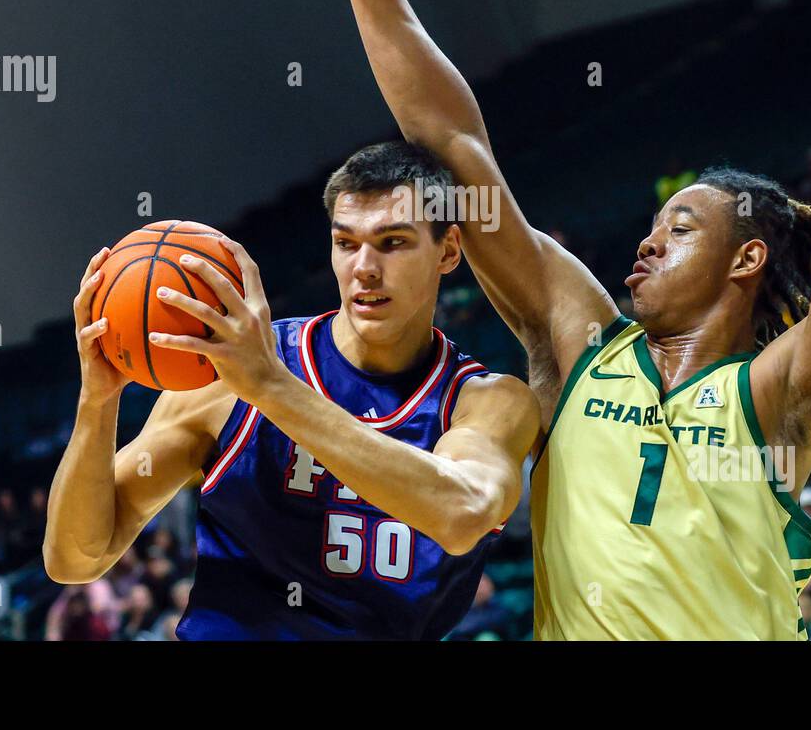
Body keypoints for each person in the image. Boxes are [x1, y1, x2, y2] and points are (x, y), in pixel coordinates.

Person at [264, 0, 811, 639]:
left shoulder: (777, 391)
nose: (646, 243)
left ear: (746, 258)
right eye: (654, 224)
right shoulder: (580, 344)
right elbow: (453, 143)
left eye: (680, 228)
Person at [45, 142, 540, 640]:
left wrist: (272, 389)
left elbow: (462, 513)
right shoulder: (227, 376)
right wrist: (98, 401)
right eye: (346, 243)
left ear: (448, 250)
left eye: (393, 242)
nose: (364, 268)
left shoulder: (486, 401)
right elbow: (74, 558)